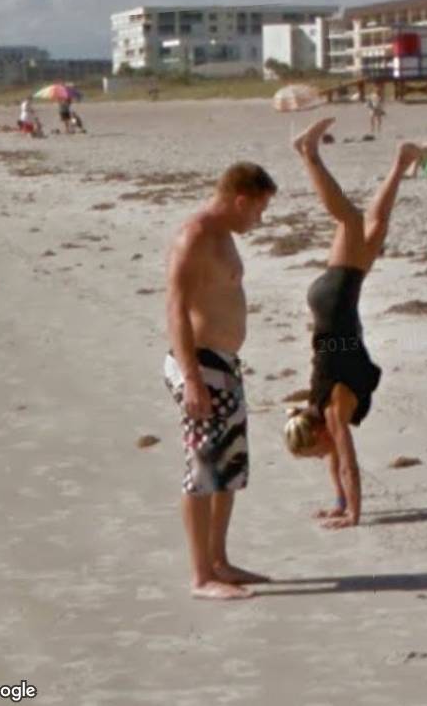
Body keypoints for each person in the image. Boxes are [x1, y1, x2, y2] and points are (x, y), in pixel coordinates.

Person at [281, 115, 419, 529]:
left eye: (316, 451)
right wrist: (338, 502)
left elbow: (350, 464)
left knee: (351, 221)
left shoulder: (334, 413)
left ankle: (308, 153)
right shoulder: (320, 411)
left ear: (317, 432)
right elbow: (337, 461)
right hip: (336, 306)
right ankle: (401, 162)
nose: (325, 455)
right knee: (375, 229)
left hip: (336, 305)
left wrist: (353, 513)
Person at [162, 161, 279, 600]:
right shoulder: (196, 235)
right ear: (240, 199)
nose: (259, 220)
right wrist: (191, 378)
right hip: (200, 363)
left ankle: (219, 561)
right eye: (258, 211)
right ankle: (200, 577)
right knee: (202, 469)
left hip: (224, 363)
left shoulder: (224, 234)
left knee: (227, 468)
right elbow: (175, 308)